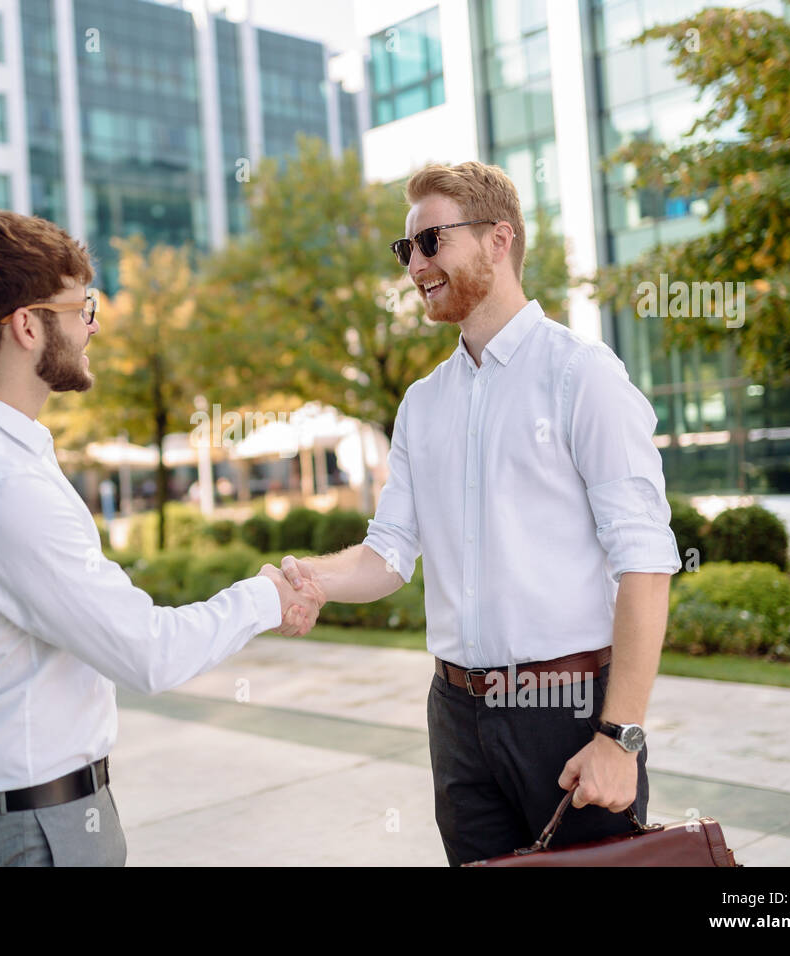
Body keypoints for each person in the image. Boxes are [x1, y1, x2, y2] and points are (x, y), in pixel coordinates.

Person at [280, 162, 680, 865]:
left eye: (431, 241)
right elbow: (388, 554)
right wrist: (307, 577)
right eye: (406, 250)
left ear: (500, 240)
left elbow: (646, 561)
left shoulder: (580, 374)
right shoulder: (422, 403)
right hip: (456, 713)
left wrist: (621, 737)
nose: (415, 266)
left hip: (567, 711)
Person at [0, 210, 325, 867]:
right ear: (27, 326)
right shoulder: (3, 485)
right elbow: (146, 653)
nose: (93, 324)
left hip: (16, 818)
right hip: (31, 832)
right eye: (82, 307)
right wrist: (266, 597)